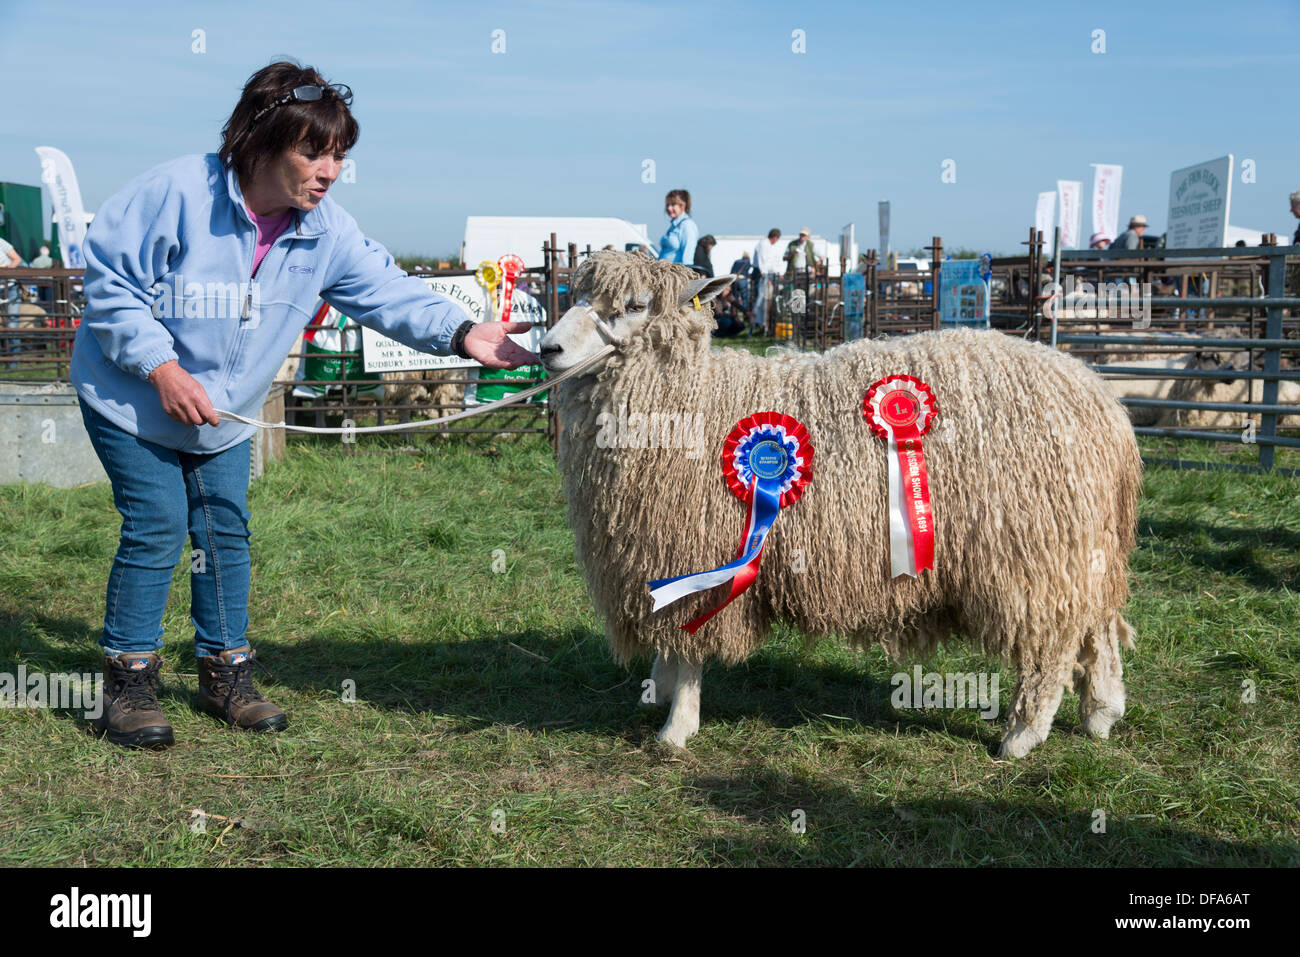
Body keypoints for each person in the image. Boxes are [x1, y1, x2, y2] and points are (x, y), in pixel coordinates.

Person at [70, 60, 537, 750]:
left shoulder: (328, 230)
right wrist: (160, 367)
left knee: (225, 528)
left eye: (339, 155)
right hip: (133, 395)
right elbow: (109, 284)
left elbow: (385, 292)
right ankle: (128, 682)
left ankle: (225, 672)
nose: (329, 170)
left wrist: (464, 332)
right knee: (160, 522)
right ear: (261, 139)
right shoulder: (175, 194)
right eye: (312, 152)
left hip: (225, 415)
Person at [751, 228, 784, 333]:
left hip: (767, 274)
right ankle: (760, 324)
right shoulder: (764, 244)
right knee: (762, 301)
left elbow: (770, 261)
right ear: (775, 238)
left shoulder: (768, 245)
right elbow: (762, 260)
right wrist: (766, 276)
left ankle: (764, 324)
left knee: (767, 300)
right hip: (762, 274)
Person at [654, 189, 698, 265]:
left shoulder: (687, 226)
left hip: (675, 274)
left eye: (673, 205)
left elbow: (687, 257)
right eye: (667, 205)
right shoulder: (674, 226)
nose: (669, 208)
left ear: (683, 205)